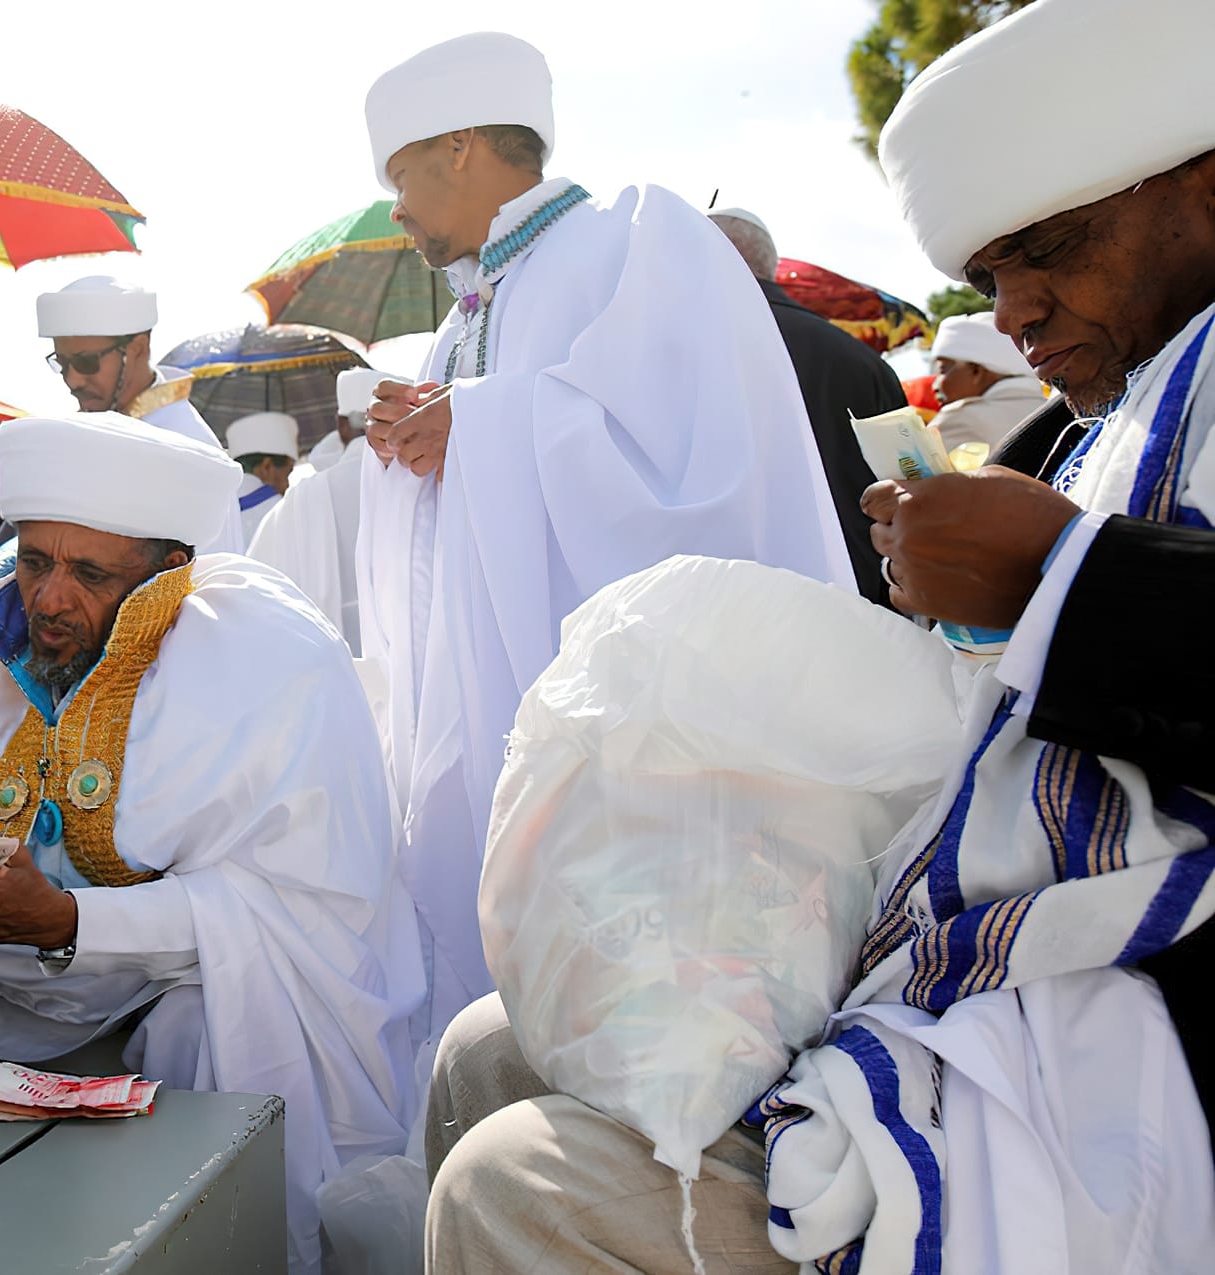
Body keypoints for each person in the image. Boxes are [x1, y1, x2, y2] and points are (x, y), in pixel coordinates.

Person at [426, 3, 1215, 1271]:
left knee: (516, 1186)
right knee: (489, 1042)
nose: (1015, 311)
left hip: (1140, 1028)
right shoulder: (1113, 411)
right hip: (994, 959)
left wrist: (1067, 578)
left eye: (1050, 250)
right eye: (991, 277)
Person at [0, 413, 423, 1274]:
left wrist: (67, 922)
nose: (46, 599)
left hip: (162, 980)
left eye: (88, 572)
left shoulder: (269, 667)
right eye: (36, 560)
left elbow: (280, 913)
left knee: (218, 1014)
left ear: (168, 574)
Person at [359, 32, 852, 1037]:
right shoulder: (462, 317)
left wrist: (485, 421)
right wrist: (426, 438)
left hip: (643, 748)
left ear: (459, 146)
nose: (395, 206)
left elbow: (699, 481)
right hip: (507, 703)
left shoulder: (633, 248)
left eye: (398, 174)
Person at [710, 206, 909, 606]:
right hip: (863, 602)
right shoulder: (863, 360)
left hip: (733, 604)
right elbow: (906, 484)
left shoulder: (683, 347)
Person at [36, 275, 242, 552]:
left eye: (86, 362)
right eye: (62, 364)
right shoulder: (92, 432)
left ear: (137, 349)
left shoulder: (186, 447)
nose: (73, 381)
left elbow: (202, 578)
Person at [247, 369, 380, 653]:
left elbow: (255, 602)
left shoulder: (297, 503)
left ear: (341, 424)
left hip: (331, 677)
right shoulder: (430, 483)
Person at [927, 310, 1047, 452]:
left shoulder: (960, 419)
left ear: (975, 371)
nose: (935, 386)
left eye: (942, 370)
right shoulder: (1051, 408)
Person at [224, 410, 298, 543]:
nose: (287, 485)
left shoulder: (214, 508)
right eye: (288, 473)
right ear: (267, 467)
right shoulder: (284, 512)